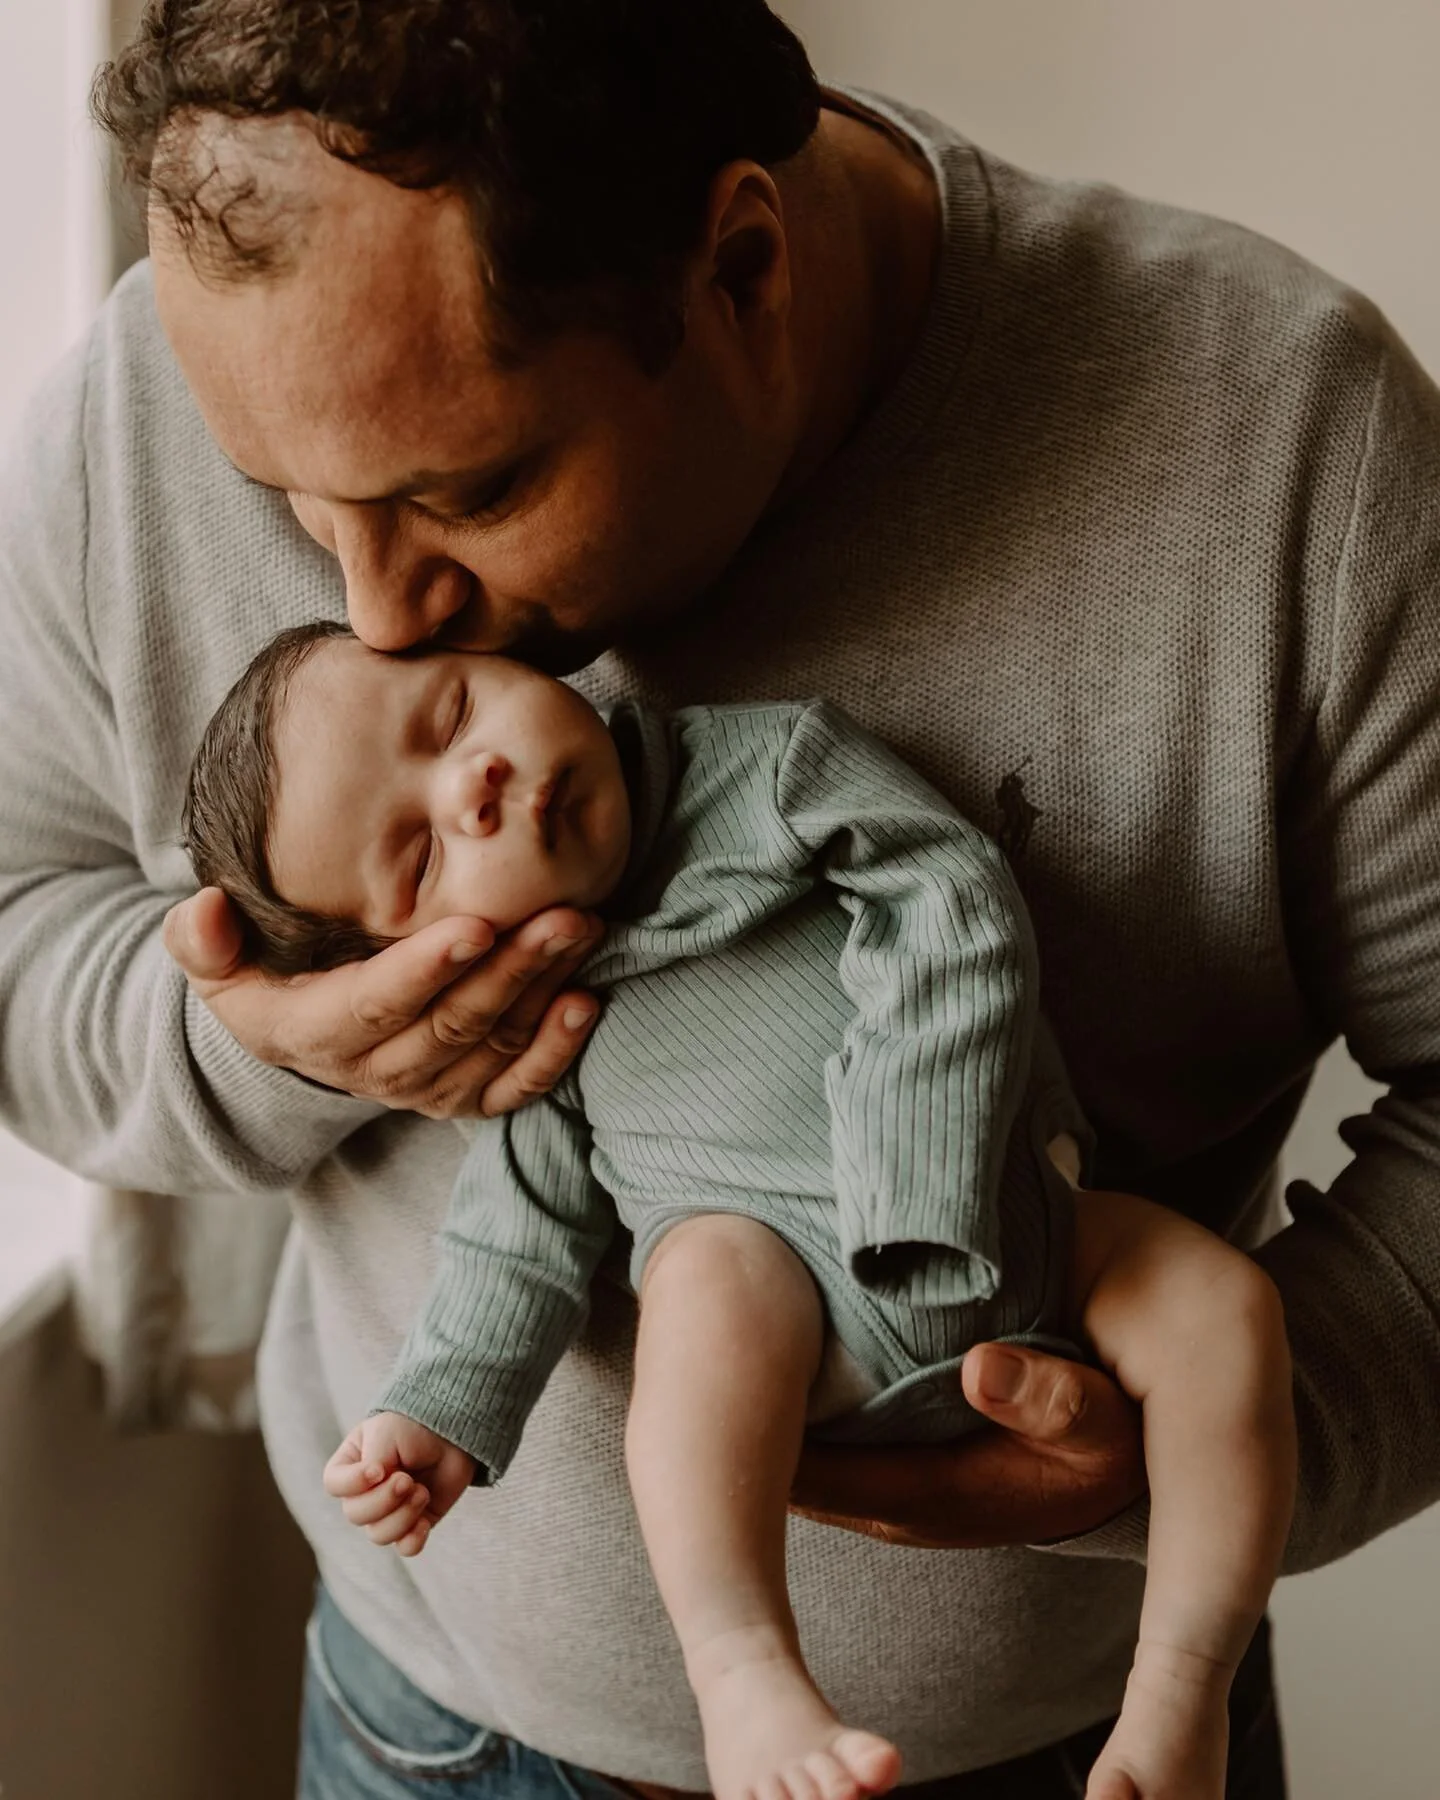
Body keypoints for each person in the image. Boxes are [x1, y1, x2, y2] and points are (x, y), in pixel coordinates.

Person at [0, 0, 1434, 1792]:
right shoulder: (184, 365)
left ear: (742, 273)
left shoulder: (1289, 443)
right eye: (277, 500)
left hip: (1077, 1753)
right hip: (434, 1738)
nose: (371, 615)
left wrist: (1234, 1438)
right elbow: (19, 942)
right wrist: (286, 1050)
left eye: (472, 489)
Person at [183, 620, 1294, 1800]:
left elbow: (952, 895)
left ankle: (1180, 1698)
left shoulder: (773, 774)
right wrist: (439, 1410)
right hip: (777, 1309)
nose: (477, 784)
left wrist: (919, 1171)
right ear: (416, 965)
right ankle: (745, 1674)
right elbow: (515, 1230)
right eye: (418, 862)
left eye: (453, 713)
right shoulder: (544, 1016)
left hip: (1022, 1224)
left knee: (1224, 1305)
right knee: (704, 1287)